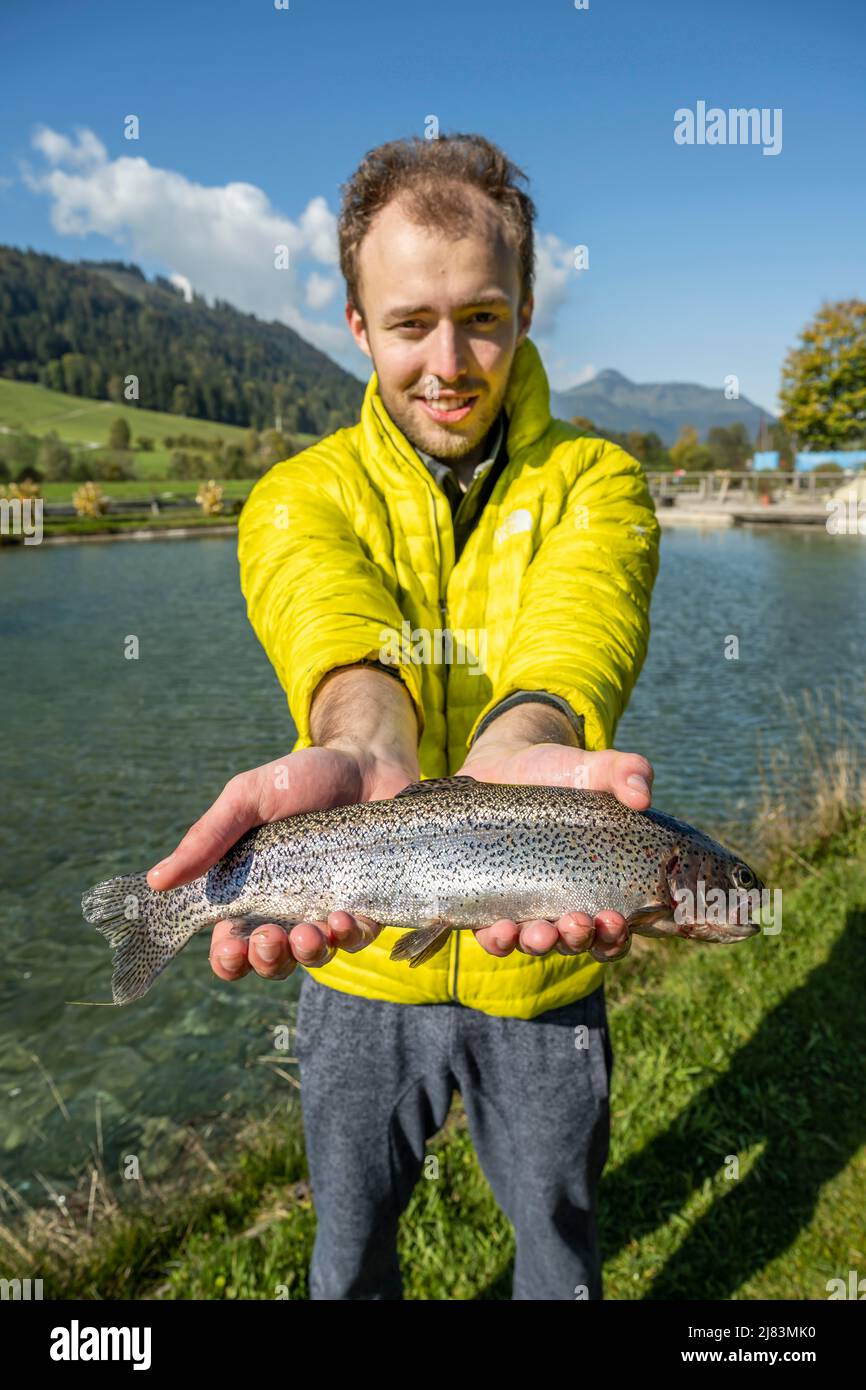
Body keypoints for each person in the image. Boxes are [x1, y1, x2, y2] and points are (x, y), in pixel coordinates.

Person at [147, 133, 661, 1300]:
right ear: (355, 325)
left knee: (558, 1233)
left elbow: (574, 629)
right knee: (348, 1249)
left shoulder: (600, 482)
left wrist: (525, 741)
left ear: (526, 309)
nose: (447, 360)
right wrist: (361, 739)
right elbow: (331, 630)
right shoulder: (294, 495)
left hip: (539, 971)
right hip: (359, 961)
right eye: (409, 322)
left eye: (480, 316)